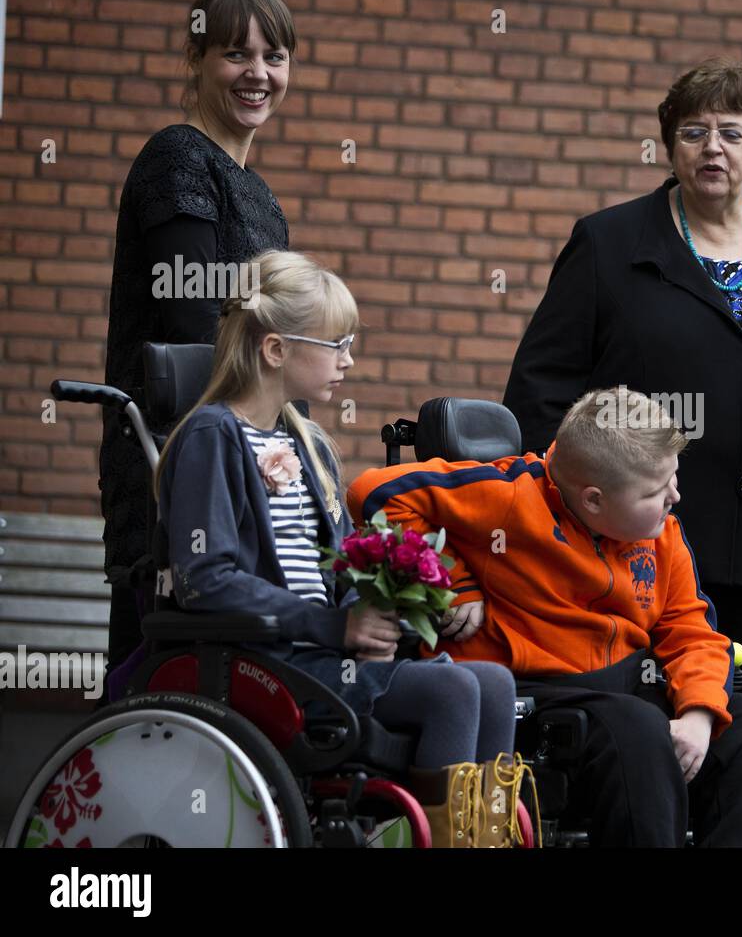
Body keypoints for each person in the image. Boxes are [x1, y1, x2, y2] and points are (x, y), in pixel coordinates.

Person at [502, 59, 742, 697]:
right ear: (670, 149)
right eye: (693, 133)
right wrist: (567, 523)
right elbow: (539, 392)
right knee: (641, 730)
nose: (712, 148)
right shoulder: (608, 245)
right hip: (629, 552)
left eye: (732, 133)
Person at [155, 250, 525, 847]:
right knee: (453, 689)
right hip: (262, 662)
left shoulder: (307, 443)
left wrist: (381, 611)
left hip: (320, 656)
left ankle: (485, 837)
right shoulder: (211, 435)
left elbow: (337, 570)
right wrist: (336, 627)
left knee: (496, 683)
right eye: (336, 345)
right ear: (276, 349)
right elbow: (207, 579)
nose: (348, 360)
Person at [347, 386, 742, 847]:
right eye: (655, 491)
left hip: (626, 686)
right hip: (532, 691)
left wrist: (699, 712)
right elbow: (373, 493)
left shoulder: (662, 534)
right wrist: (453, 581)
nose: (675, 496)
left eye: (673, 478)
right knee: (636, 727)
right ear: (593, 499)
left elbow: (692, 633)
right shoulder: (506, 494)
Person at [101, 0, 295, 675]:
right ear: (196, 58)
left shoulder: (260, 195)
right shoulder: (179, 160)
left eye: (274, 57)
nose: (257, 73)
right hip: (177, 460)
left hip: (242, 454)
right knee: (156, 682)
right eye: (236, 54)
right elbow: (195, 330)